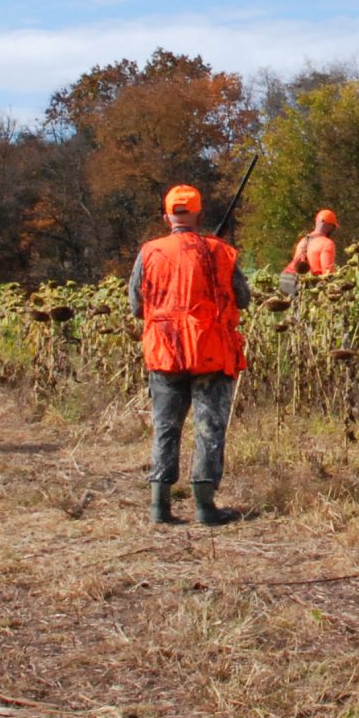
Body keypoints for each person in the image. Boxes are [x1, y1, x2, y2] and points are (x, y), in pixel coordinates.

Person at [130, 184, 251, 526]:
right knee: (209, 426)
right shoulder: (221, 252)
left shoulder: (149, 252)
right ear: (198, 213)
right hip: (211, 351)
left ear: (167, 215)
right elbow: (243, 298)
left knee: (166, 427)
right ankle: (205, 507)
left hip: (165, 350)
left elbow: (136, 306)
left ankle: (159, 507)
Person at [280, 208, 340, 295]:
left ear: (316, 222)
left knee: (294, 306)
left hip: (286, 280)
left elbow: (298, 266)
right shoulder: (327, 243)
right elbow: (327, 272)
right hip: (307, 284)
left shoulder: (303, 241)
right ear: (330, 227)